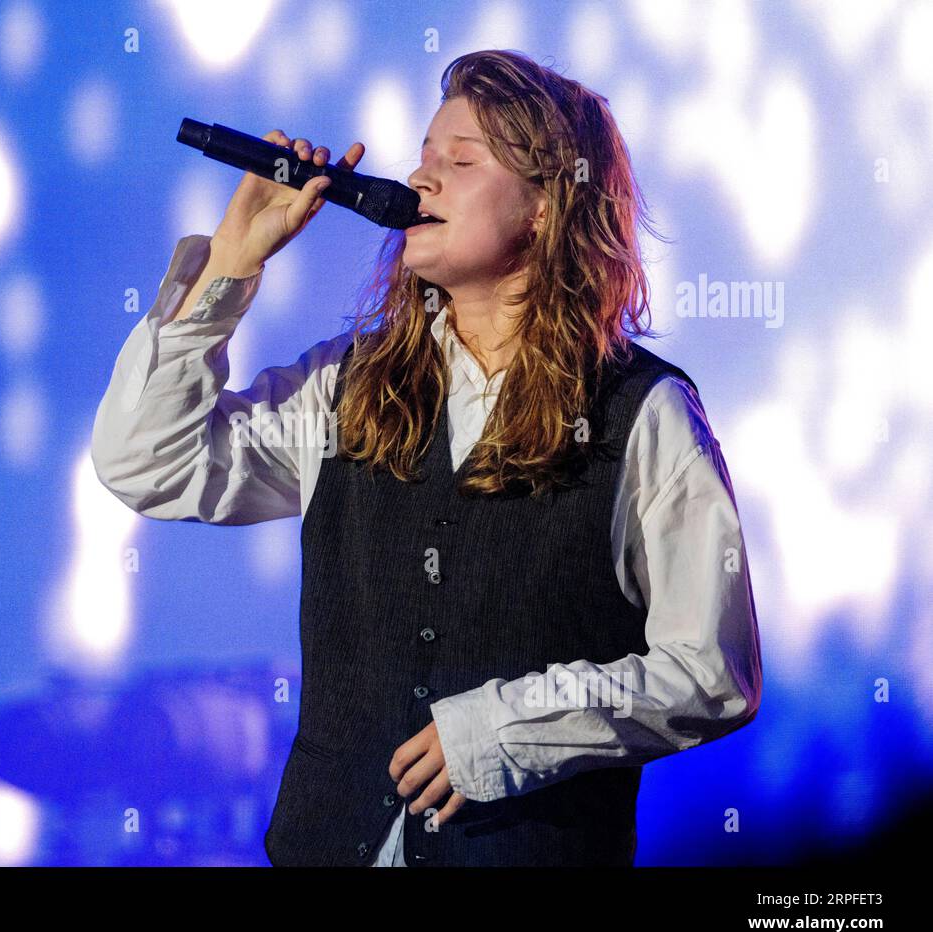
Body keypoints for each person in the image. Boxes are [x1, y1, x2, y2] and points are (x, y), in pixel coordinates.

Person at [91, 49, 762, 866]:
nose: (423, 176)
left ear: (548, 207)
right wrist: (233, 260)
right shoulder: (344, 384)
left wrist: (504, 730)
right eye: (425, 154)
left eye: (461, 159)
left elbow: (712, 670)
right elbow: (144, 460)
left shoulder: (643, 412)